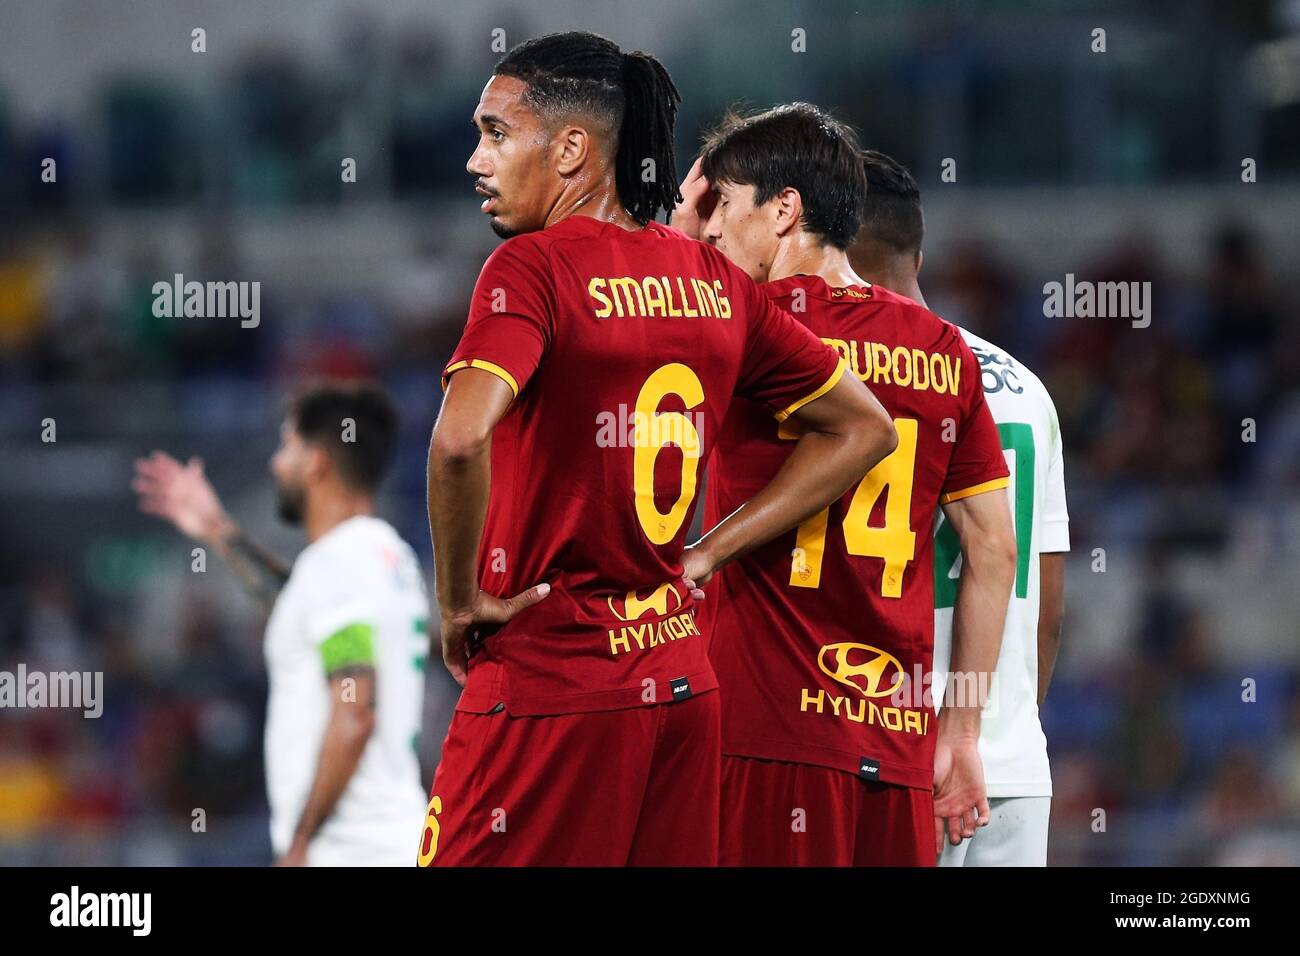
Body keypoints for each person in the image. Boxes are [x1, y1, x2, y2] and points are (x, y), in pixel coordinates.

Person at [422, 33, 895, 866]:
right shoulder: (709, 279)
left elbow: (459, 441)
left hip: (551, 680)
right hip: (679, 680)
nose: (476, 159)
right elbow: (864, 428)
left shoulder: (528, 269)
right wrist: (708, 553)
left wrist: (457, 604)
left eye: (496, 132)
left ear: (572, 148)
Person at [673, 103, 1017, 865]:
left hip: (769, 730)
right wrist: (959, 734)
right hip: (894, 745)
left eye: (724, 205)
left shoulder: (747, 322)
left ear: (784, 209)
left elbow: (641, 324)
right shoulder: (943, 349)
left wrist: (674, 227)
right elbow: (994, 548)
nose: (716, 228)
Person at [850, 148, 1070, 866]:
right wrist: (1008, 731)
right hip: (1009, 761)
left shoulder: (842, 378)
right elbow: (1049, 605)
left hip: (891, 750)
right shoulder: (1027, 385)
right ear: (918, 249)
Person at [133, 381, 428, 866]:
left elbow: (354, 708)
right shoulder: (387, 557)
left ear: (317, 461)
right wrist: (217, 529)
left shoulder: (340, 563)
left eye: (287, 445)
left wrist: (301, 842)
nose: (276, 462)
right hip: (389, 841)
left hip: (351, 849)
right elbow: (302, 607)